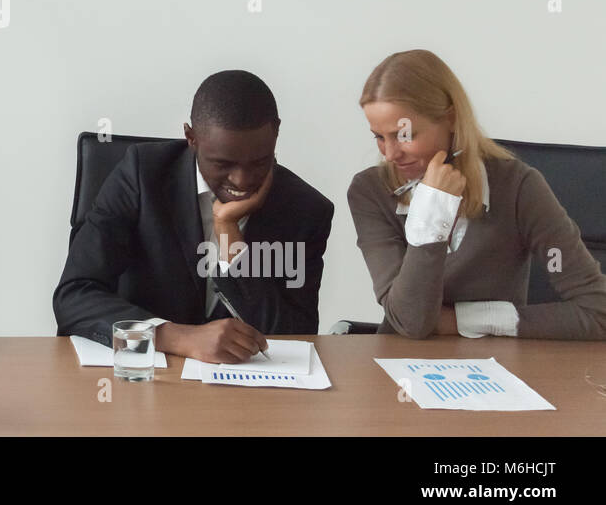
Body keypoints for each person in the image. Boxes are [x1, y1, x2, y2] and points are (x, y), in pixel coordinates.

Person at [54, 70, 334, 363]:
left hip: (246, 395)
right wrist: (178, 337)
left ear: (276, 132)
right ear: (191, 138)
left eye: (259, 162)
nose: (241, 180)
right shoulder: (141, 175)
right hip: (144, 380)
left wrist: (230, 238)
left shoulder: (305, 210)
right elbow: (74, 295)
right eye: (223, 164)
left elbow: (295, 334)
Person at [350, 48, 606, 339]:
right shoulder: (370, 192)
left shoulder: (519, 188)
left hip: (498, 370)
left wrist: (469, 321)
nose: (390, 154)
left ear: (451, 118)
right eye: (379, 137)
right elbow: (412, 323)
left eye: (404, 135)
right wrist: (432, 211)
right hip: (400, 368)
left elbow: (598, 311)